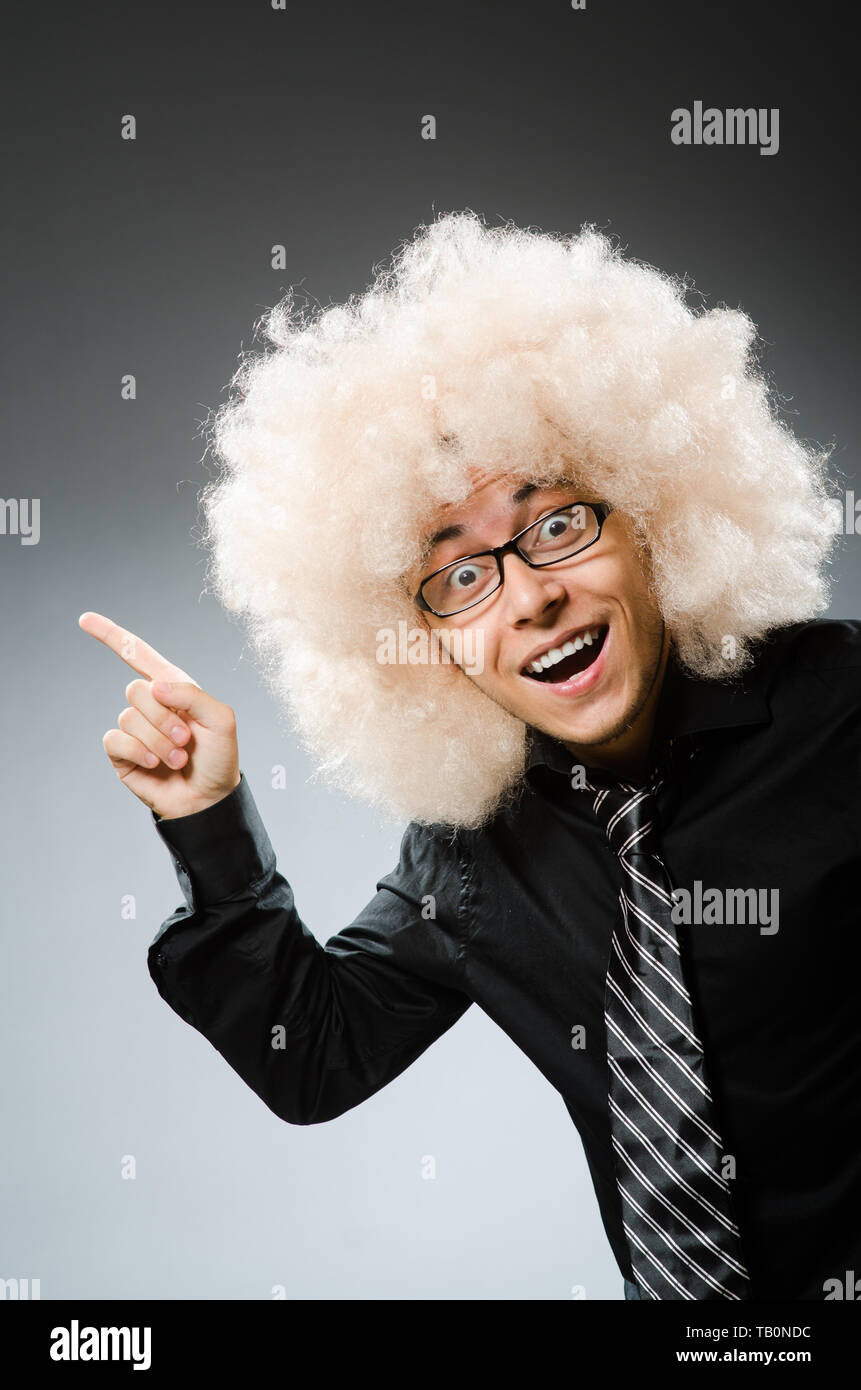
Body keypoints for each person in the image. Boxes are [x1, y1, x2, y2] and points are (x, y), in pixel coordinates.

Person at [80, 211, 859, 1301]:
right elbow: (314, 1052)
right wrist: (208, 820)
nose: (531, 597)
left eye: (557, 526)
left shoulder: (839, 709)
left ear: (656, 520)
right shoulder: (473, 858)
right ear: (426, 646)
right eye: (458, 578)